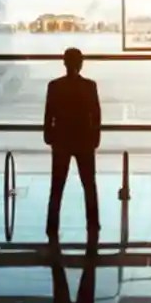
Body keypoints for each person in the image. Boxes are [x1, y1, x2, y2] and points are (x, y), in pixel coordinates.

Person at [43, 47, 101, 241]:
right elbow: (96, 113)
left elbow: (49, 113)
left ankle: (52, 224)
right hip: (84, 140)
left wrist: (48, 135)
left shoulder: (55, 86)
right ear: (81, 63)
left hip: (62, 140)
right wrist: (95, 137)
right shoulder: (90, 86)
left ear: (64, 62)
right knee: (89, 184)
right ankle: (92, 222)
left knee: (57, 185)